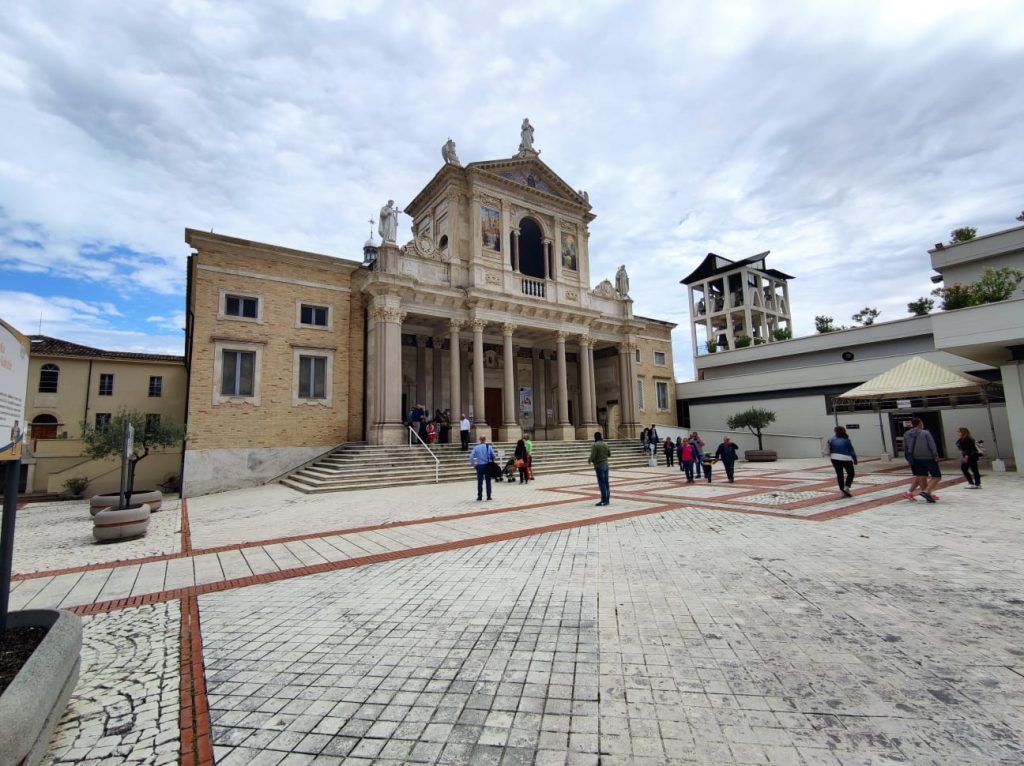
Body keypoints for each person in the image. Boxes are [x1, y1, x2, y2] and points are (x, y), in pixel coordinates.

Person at [903, 417, 941, 503]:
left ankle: (927, 494)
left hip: (915, 458)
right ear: (920, 423)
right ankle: (926, 491)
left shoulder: (906, 434)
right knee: (937, 476)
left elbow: (905, 447)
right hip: (928, 457)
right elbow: (932, 445)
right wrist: (936, 456)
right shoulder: (925, 433)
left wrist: (908, 458)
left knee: (921, 476)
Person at [826, 426, 858, 497]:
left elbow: (828, 449)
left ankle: (842, 492)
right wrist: (855, 459)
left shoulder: (831, 439)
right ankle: (846, 487)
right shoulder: (846, 440)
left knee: (839, 474)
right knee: (851, 473)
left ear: (835, 431)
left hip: (834, 458)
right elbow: (851, 450)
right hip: (846, 458)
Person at [470, 435, 496, 501]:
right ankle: (489, 496)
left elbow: (471, 456)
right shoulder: (488, 447)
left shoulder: (476, 447)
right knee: (488, 482)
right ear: (485, 439)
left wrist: (473, 464)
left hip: (479, 466)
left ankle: (479, 496)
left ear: (480, 440)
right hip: (487, 466)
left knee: (479, 482)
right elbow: (494, 456)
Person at [588, 431, 611, 506]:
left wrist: (589, 461)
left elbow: (593, 455)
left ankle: (603, 500)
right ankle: (607, 499)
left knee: (602, 483)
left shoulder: (596, 445)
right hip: (606, 465)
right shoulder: (605, 444)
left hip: (599, 465)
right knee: (606, 482)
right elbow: (609, 454)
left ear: (595, 437)